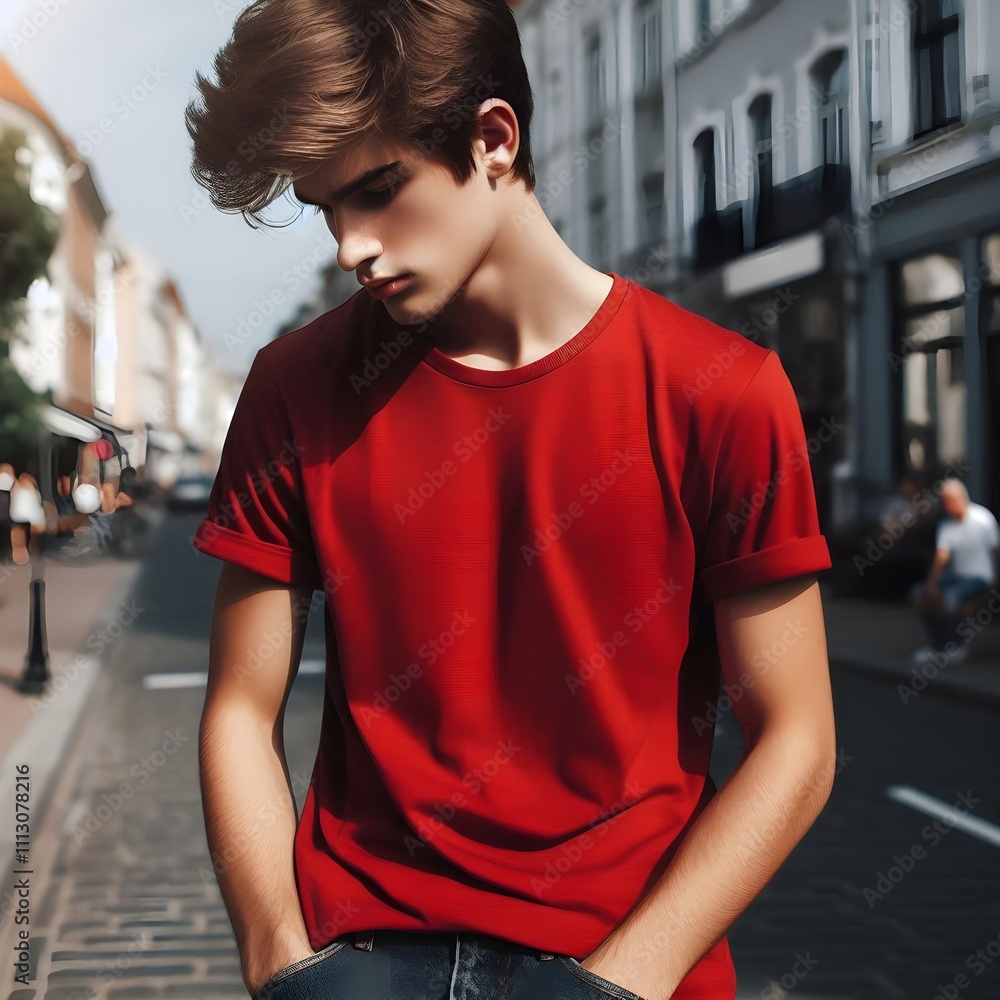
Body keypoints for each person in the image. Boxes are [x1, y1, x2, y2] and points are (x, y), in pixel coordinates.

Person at [185, 3, 836, 998]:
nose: (352, 245)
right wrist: (281, 964)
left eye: (377, 188)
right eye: (326, 207)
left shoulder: (724, 392)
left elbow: (797, 740)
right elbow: (238, 705)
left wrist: (623, 981)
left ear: (493, 139)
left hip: (623, 958)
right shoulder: (294, 386)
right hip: (359, 957)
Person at [909, 477, 1000, 665]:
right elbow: (942, 557)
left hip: (980, 577)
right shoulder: (947, 525)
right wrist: (931, 585)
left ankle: (955, 645)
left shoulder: (982, 519)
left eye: (950, 500)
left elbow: (996, 551)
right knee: (920, 595)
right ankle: (937, 645)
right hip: (955, 576)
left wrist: (996, 583)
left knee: (949, 599)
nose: (948, 505)